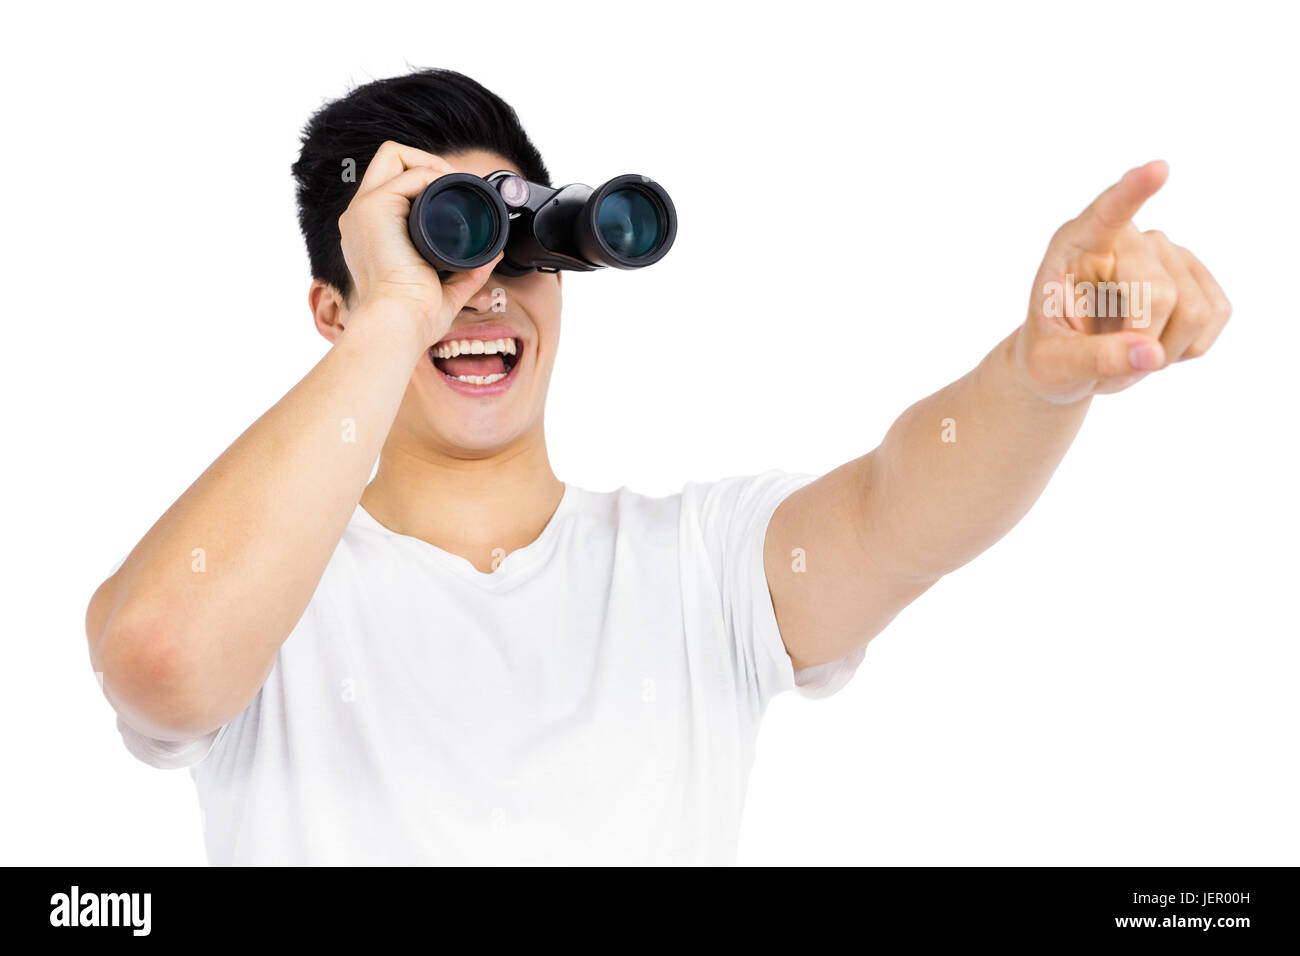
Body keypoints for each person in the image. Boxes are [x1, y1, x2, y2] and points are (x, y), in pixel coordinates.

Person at [85, 68, 1232, 865]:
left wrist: (1033, 377)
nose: (481, 292)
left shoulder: (696, 567)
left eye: (517, 252)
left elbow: (900, 503)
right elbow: (159, 656)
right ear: (332, 311)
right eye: (444, 250)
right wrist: (398, 311)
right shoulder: (267, 590)